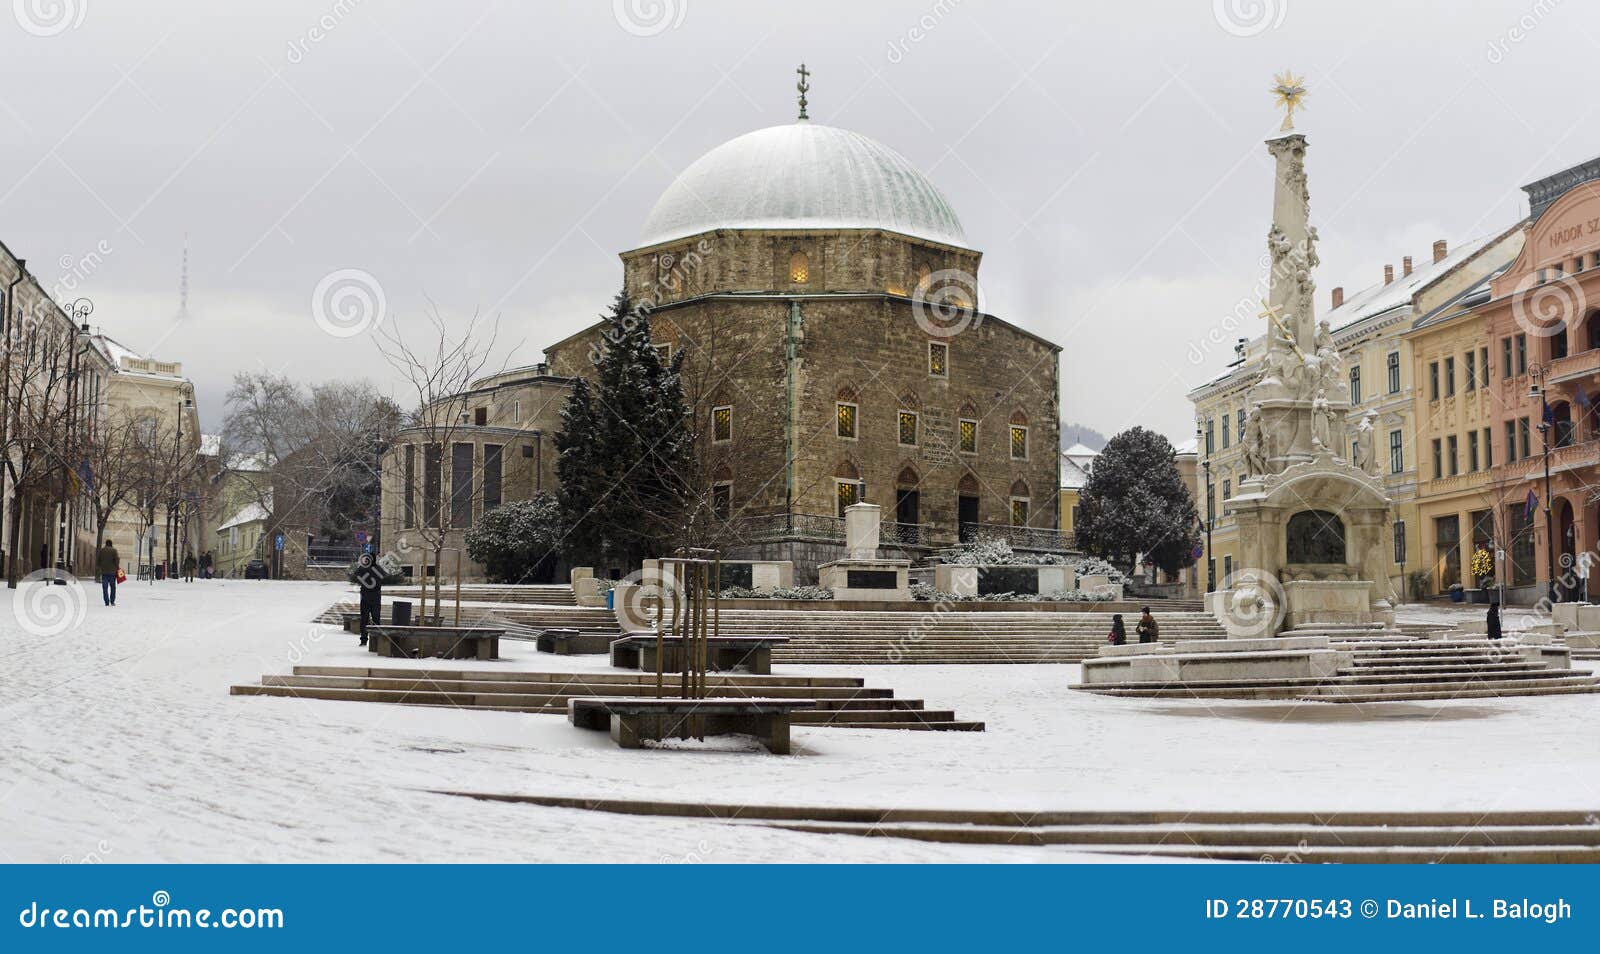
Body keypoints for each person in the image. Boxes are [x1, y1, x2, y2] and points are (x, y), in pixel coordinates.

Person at [355, 552, 384, 647]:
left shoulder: (363, 568)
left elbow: (356, 575)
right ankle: (376, 640)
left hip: (365, 596)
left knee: (364, 619)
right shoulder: (378, 569)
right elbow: (384, 576)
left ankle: (364, 640)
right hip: (376, 596)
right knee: (376, 618)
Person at [96, 539, 120, 607]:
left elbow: (98, 560)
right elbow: (117, 560)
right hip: (112, 573)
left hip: (104, 572)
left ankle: (106, 601)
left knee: (105, 587)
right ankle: (112, 601)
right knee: (113, 587)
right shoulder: (114, 550)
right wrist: (117, 567)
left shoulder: (102, 550)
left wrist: (100, 567)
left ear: (106, 544)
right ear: (111, 544)